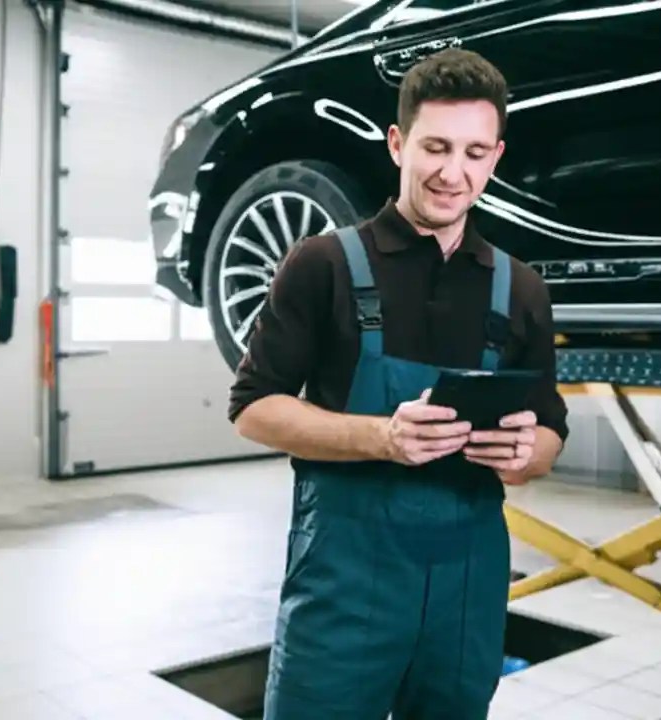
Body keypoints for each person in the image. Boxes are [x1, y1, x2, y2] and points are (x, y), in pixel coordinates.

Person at [227, 48, 570, 719]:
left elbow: (550, 424)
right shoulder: (323, 265)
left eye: (474, 153)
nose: (453, 172)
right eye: (435, 147)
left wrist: (533, 453)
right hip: (345, 587)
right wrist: (382, 436)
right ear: (397, 143)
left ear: (495, 157)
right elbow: (254, 409)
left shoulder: (520, 287)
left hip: (466, 591)